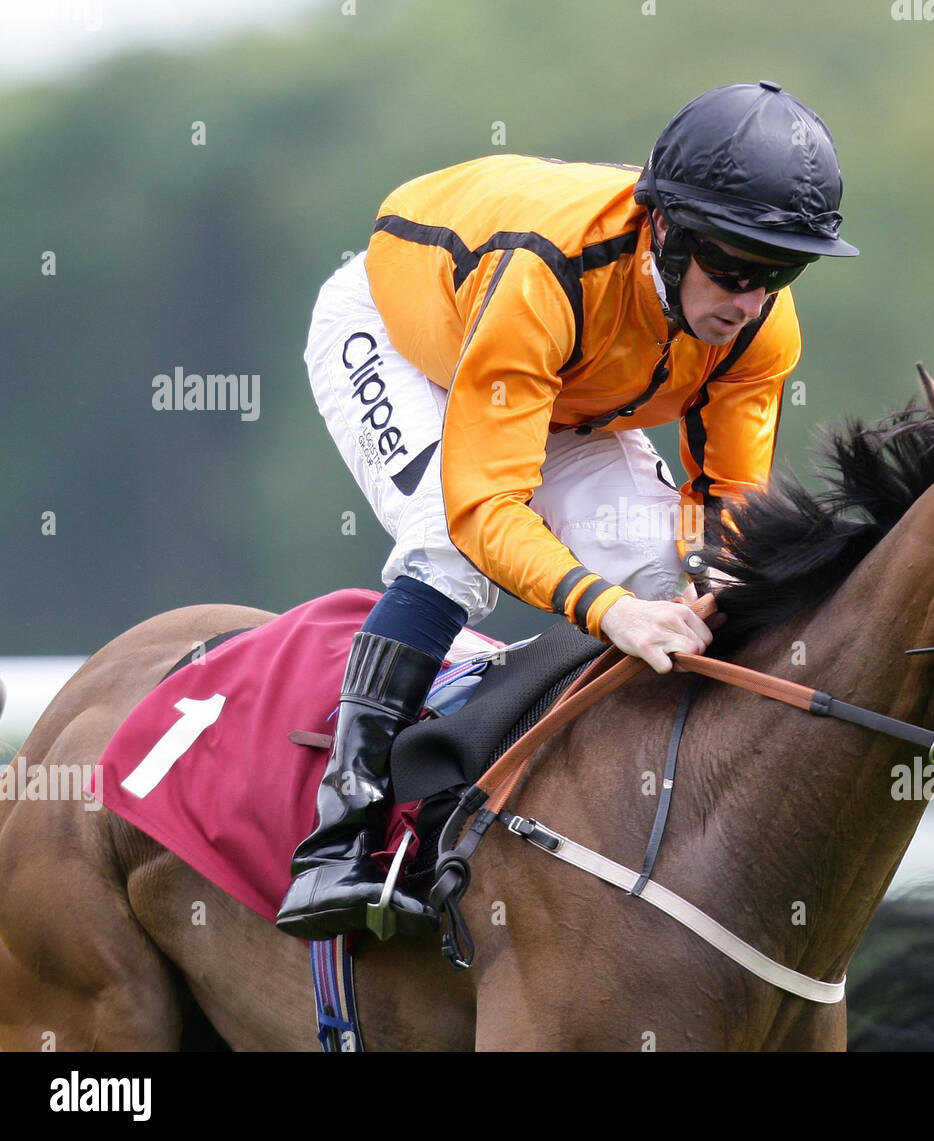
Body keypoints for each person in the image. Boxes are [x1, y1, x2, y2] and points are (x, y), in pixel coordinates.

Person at [275, 81, 858, 940]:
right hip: (405, 338)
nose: (748, 301)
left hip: (557, 392)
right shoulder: (550, 272)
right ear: (668, 229)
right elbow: (487, 509)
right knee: (449, 541)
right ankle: (339, 831)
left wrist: (704, 583)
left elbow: (726, 506)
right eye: (733, 268)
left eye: (780, 273)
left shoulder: (761, 323)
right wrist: (608, 609)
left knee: (671, 573)